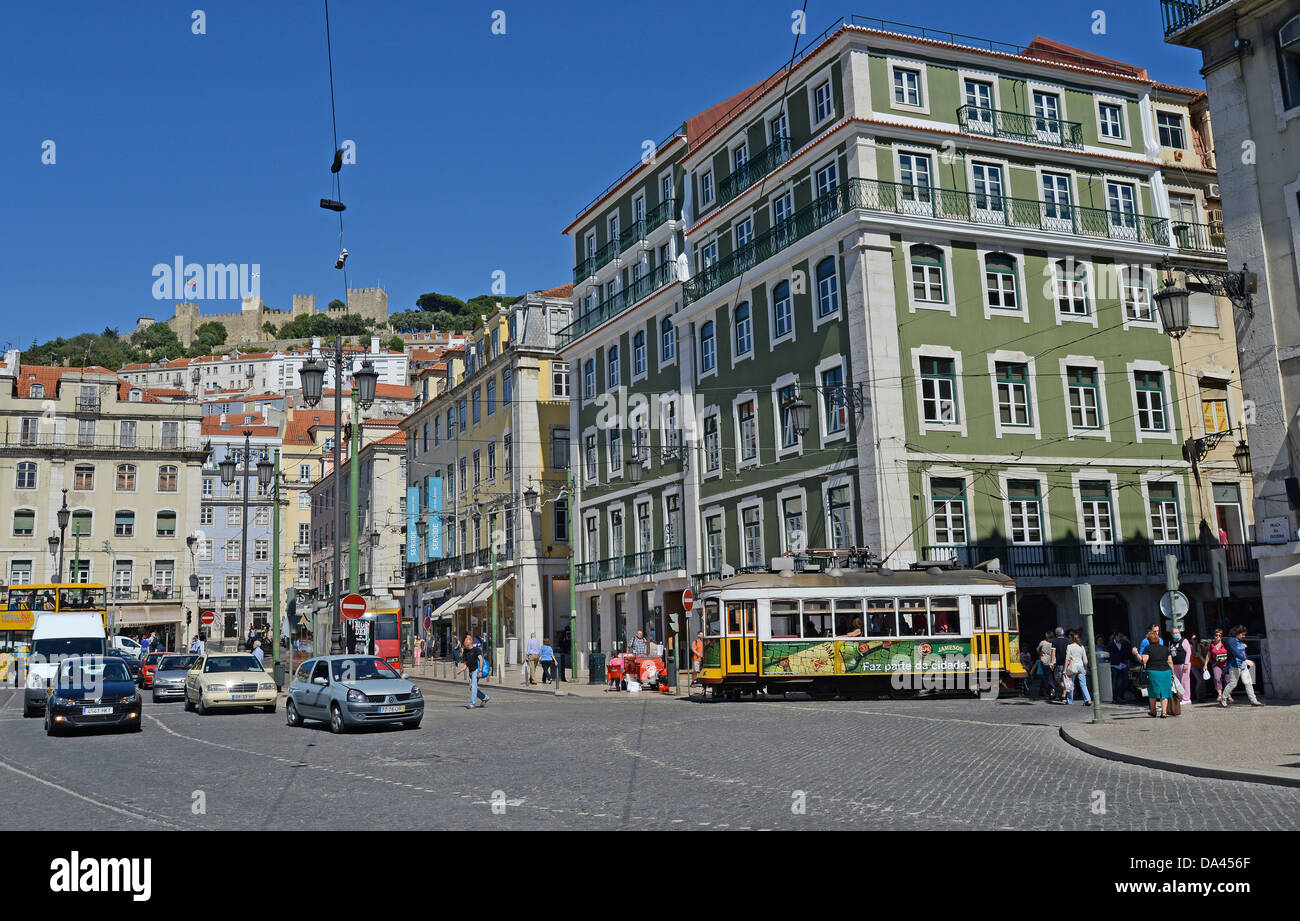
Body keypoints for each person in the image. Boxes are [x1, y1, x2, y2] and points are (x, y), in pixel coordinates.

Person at [1218, 625, 1262, 707]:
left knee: (1248, 682)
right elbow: (1235, 652)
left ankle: (1253, 701)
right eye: (1242, 634)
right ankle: (1223, 699)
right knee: (1233, 684)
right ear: (1237, 633)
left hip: (1243, 665)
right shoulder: (1230, 640)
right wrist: (1246, 659)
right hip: (1234, 665)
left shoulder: (1239, 641)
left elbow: (1241, 652)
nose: (1243, 636)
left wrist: (1245, 657)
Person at [1141, 625, 1173, 718]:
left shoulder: (1148, 648)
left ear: (1149, 640)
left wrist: (1136, 654)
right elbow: (1170, 662)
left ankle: (1153, 711)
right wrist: (1173, 673)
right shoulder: (1165, 648)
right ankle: (1164, 712)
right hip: (1166, 672)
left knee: (1153, 693)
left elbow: (1144, 661)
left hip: (1153, 672)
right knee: (1165, 692)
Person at [455, 634, 489, 709]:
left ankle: (472, 703)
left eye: (467, 641)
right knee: (472, 687)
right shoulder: (466, 652)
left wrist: (480, 671)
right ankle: (485, 697)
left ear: (470, 642)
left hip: (476, 671)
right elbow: (467, 664)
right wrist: (461, 670)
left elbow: (481, 660)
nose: (466, 643)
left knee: (473, 687)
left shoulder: (476, 650)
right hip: (471, 671)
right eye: (465, 642)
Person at [1064, 632, 1092, 705]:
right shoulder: (1081, 647)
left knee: (1071, 684)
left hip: (1072, 667)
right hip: (1081, 666)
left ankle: (1069, 700)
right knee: (1083, 684)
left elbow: (1067, 659)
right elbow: (1085, 661)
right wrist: (1085, 669)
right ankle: (1088, 699)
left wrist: (1064, 670)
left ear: (1072, 639)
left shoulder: (1069, 646)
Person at [1107, 631, 1133, 703]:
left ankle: (1121, 694)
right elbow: (1109, 655)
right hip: (1115, 665)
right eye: (1119, 636)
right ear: (1115, 636)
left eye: (1122, 636)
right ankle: (1114, 697)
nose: (1121, 638)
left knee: (1126, 681)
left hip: (1123, 664)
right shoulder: (1110, 645)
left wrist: (1127, 642)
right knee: (1115, 682)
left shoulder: (1124, 644)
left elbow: (1128, 653)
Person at [1048, 627, 1071, 703]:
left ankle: (1065, 690)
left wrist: (1051, 662)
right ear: (1063, 633)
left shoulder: (1055, 641)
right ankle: (1064, 695)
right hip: (1068, 663)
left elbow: (1053, 652)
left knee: (1058, 679)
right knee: (1066, 679)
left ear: (1056, 634)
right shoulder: (1068, 640)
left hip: (1059, 663)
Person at [1169, 629, 1192, 702]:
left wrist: (1186, 663)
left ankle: (1186, 698)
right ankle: (1180, 698)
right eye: (1174, 633)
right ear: (1171, 634)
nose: (1176, 634)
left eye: (1177, 632)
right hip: (1175, 665)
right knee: (1177, 682)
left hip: (1183, 664)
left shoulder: (1184, 641)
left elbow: (1188, 652)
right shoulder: (1171, 642)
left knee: (1184, 681)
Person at [1206, 628, 1229, 701]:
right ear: (1214, 636)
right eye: (1216, 635)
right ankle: (1220, 694)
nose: (1218, 637)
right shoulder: (1211, 644)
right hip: (1216, 664)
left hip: (1226, 663)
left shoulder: (1225, 643)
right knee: (1217, 678)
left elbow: (1230, 653)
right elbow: (1208, 655)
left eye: (1220, 635)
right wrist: (1205, 664)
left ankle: (1228, 695)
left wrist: (1225, 658)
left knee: (1227, 679)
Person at [1035, 631, 1054, 698]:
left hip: (1045, 662)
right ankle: (1051, 692)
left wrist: (1040, 656)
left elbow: (1037, 649)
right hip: (1053, 662)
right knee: (1051, 678)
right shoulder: (1054, 642)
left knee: (1046, 678)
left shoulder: (1042, 642)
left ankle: (1046, 693)